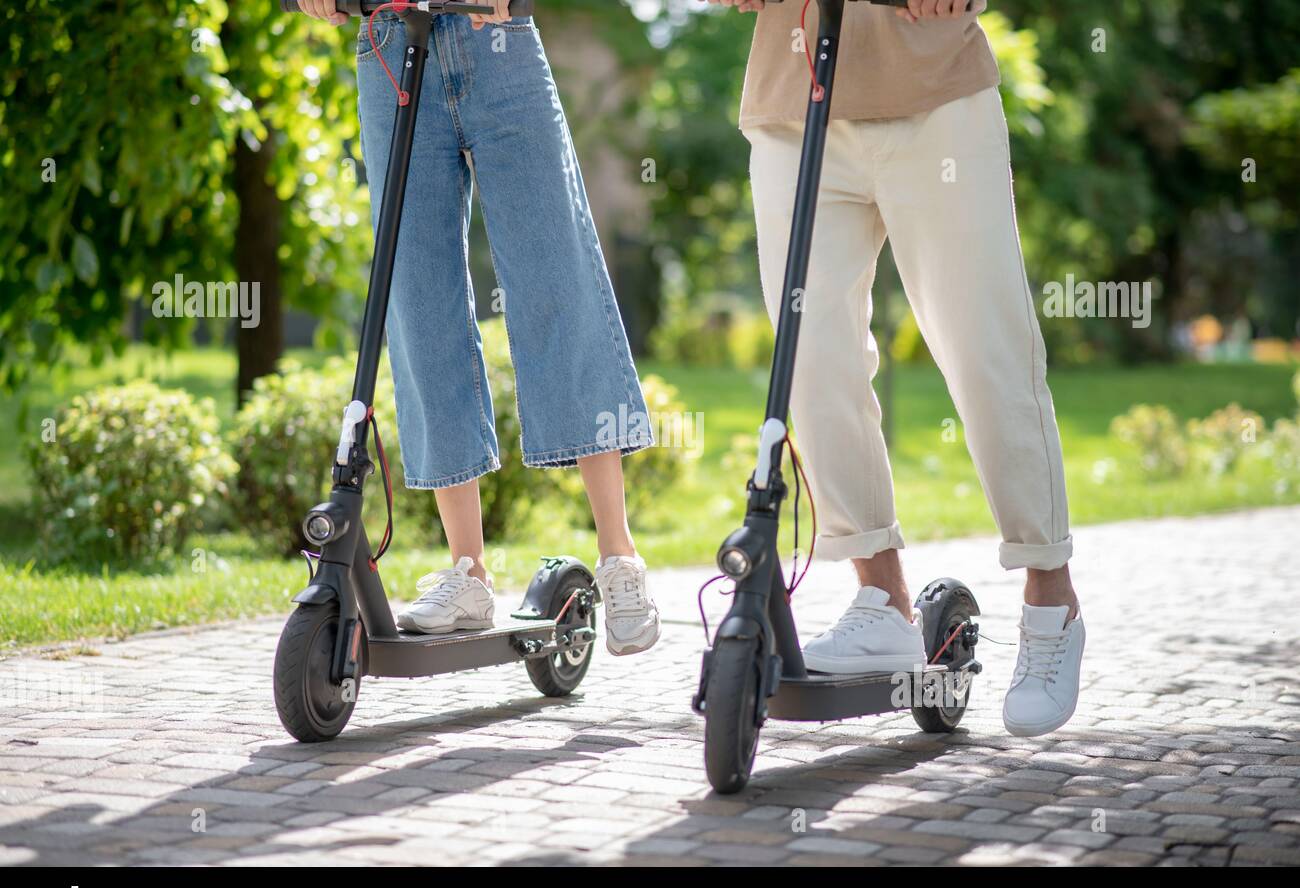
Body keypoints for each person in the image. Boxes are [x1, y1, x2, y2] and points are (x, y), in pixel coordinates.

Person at [711, 0, 1084, 736]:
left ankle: (1052, 599)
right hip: (795, 99)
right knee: (812, 365)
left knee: (985, 352)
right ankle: (881, 597)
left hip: (934, 91)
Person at [298, 0, 660, 655]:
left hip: (498, 43)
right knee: (418, 304)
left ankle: (619, 554)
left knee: (558, 285)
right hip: (389, 48)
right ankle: (467, 571)